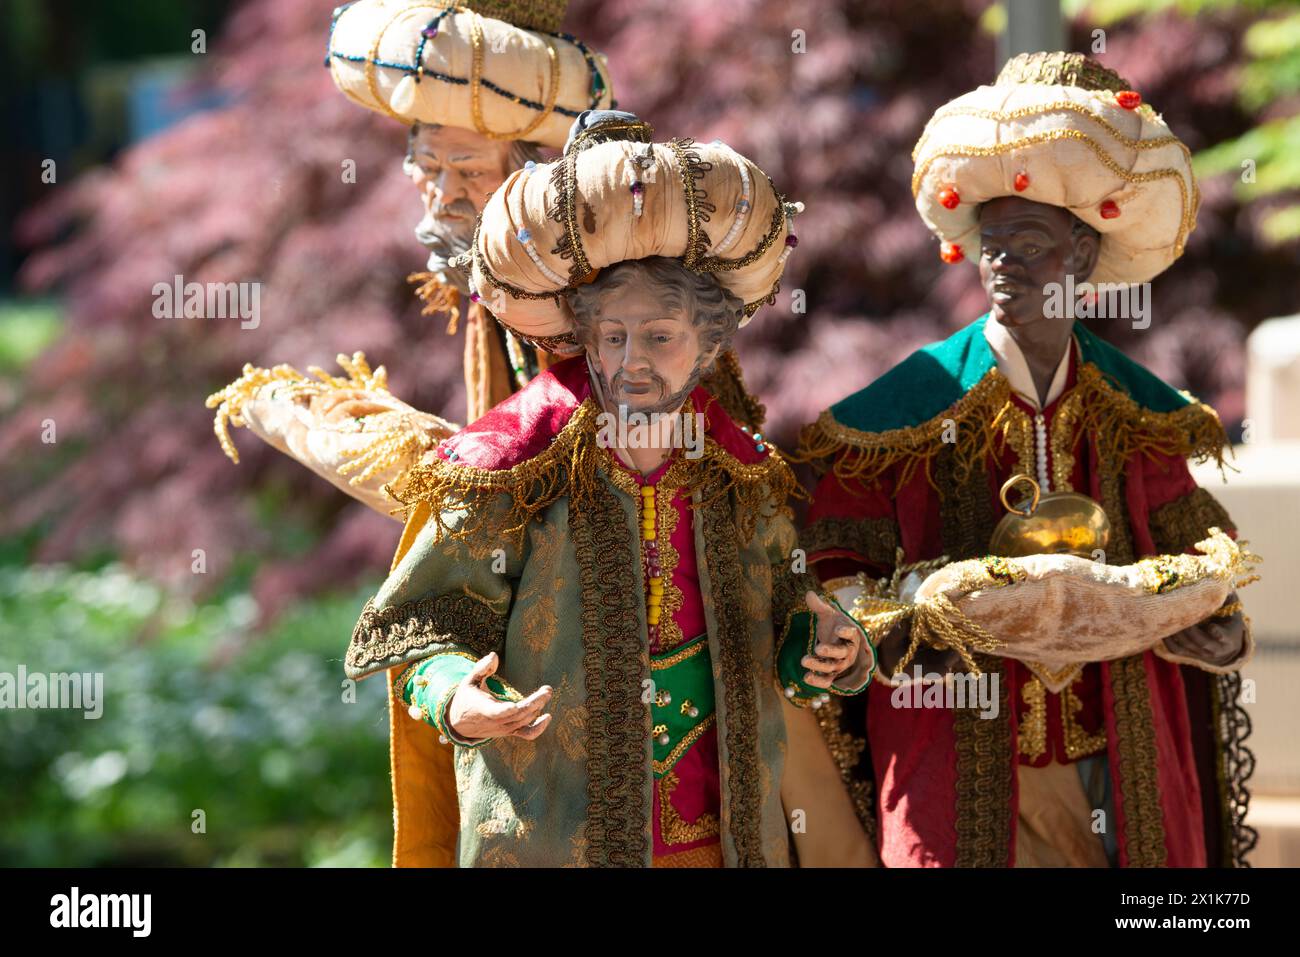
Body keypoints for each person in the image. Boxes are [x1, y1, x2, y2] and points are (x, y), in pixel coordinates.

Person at [344, 111, 877, 867]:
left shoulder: (742, 474)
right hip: (551, 837)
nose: (633, 361)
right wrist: (459, 697)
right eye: (612, 337)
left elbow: (784, 618)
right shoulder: (508, 467)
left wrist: (823, 647)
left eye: (660, 337)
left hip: (717, 841)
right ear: (583, 336)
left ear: (708, 344)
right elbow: (425, 627)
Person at [797, 52, 1255, 868]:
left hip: (1116, 757)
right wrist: (904, 613)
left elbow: (1199, 552)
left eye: (1031, 245)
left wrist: (1211, 625)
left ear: (1080, 258)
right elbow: (838, 564)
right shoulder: (903, 411)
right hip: (960, 760)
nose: (1004, 263)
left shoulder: (1138, 410)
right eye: (993, 244)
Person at [207, 0, 766, 514]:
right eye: (428, 169)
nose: (443, 194)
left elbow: (530, 475)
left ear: (529, 184)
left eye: (469, 171)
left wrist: (368, 441)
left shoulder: (586, 291)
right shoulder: (494, 284)